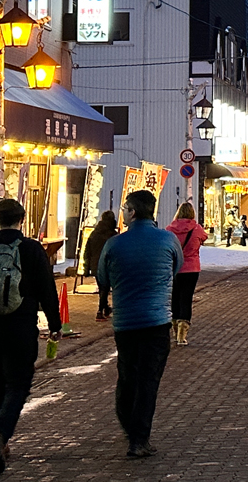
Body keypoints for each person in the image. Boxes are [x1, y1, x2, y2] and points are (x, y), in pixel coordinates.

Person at [0, 198, 61, 474]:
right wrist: (55, 324)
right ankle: (0, 432)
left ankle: (0, 444)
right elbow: (47, 291)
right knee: (18, 385)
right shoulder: (31, 250)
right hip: (20, 328)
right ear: (22, 219)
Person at [97, 190, 183, 458]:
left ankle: (129, 425)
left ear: (132, 212)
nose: (123, 212)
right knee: (148, 380)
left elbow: (102, 278)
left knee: (127, 375)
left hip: (125, 323)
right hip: (157, 320)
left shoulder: (114, 244)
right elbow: (176, 269)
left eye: (125, 208)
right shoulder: (168, 240)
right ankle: (139, 438)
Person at [166, 202, 208, 346]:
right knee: (186, 298)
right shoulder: (197, 229)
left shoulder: (170, 229)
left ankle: (175, 327)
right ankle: (182, 335)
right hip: (191, 269)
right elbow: (204, 238)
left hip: (175, 268)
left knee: (175, 297)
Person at [83, 211, 118, 321]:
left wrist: (86, 268)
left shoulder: (94, 233)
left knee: (102, 288)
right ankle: (100, 311)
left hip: (95, 266)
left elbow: (87, 251)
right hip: (109, 265)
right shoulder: (113, 235)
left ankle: (106, 308)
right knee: (105, 289)